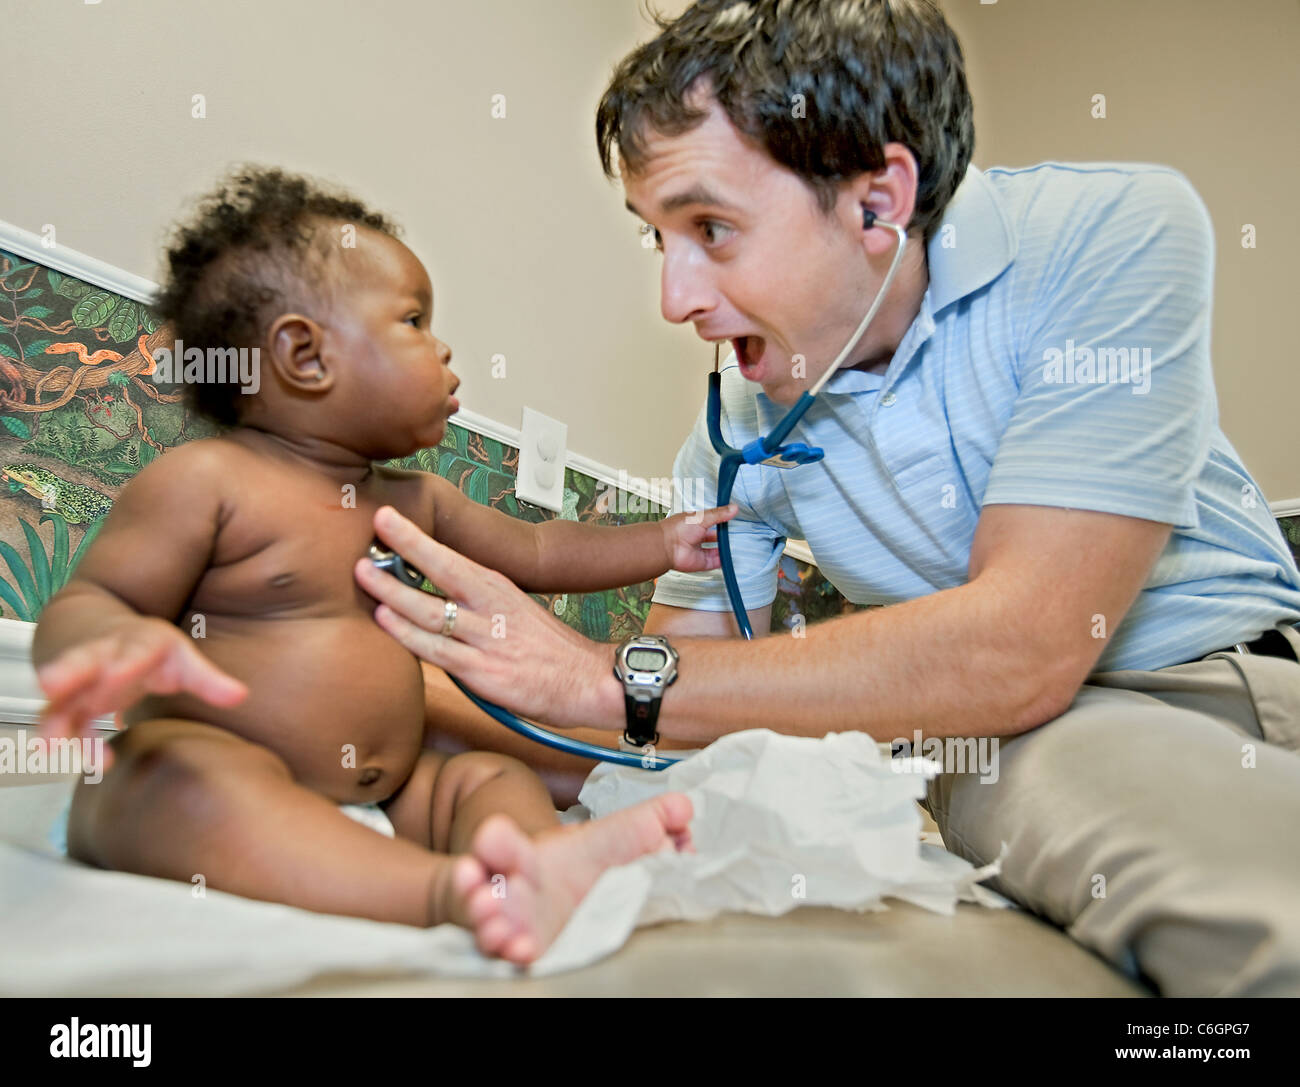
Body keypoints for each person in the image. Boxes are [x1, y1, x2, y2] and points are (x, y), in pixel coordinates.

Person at [356, 0, 1300, 995]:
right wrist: (405, 693)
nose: (675, 299)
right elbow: (675, 716)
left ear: (878, 203)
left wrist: (598, 672)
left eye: (710, 228)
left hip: (1213, 679)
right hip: (1002, 742)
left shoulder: (1108, 234)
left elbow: (1024, 643)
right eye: (658, 240)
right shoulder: (735, 438)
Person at [31, 165, 740, 965]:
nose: (443, 348)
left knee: (487, 780)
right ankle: (442, 896)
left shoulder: (414, 499)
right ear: (304, 354)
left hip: (392, 793)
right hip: (233, 779)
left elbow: (539, 551)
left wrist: (664, 542)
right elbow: (92, 599)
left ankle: (532, 870)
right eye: (413, 320)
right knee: (172, 782)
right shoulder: (207, 484)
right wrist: (107, 644)